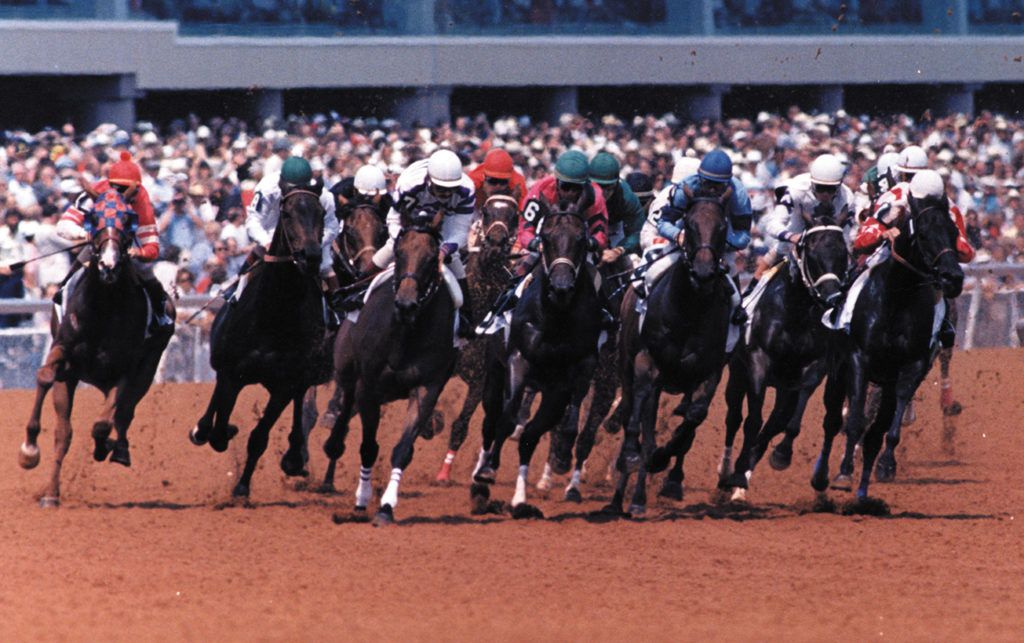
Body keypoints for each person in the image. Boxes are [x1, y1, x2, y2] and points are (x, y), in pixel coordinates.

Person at [46, 151, 173, 380]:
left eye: (125, 189)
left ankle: (160, 316)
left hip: (128, 244)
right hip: (99, 241)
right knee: (71, 278)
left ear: (136, 187)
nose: (119, 193)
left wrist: (139, 252)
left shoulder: (142, 199)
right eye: (116, 186)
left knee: (147, 275)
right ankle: (62, 316)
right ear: (109, 183)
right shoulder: (95, 191)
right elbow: (63, 225)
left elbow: (152, 247)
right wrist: (84, 234)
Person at [368, 149, 477, 338]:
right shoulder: (410, 182)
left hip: (444, 227)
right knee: (387, 250)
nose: (445, 193)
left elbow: (459, 230)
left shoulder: (466, 189)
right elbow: (394, 219)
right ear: (429, 179)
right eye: (440, 188)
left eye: (450, 189)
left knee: (456, 262)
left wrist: (444, 250)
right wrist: (401, 242)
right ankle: (354, 293)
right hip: (410, 223)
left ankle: (467, 317)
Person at [655, 149, 752, 323]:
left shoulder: (739, 195)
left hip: (721, 244)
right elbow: (663, 223)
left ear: (728, 183)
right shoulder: (686, 186)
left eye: (719, 185)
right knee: (650, 276)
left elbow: (744, 236)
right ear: (700, 178)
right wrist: (678, 236)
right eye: (708, 183)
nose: (713, 189)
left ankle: (731, 345)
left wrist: (717, 242)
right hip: (688, 239)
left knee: (736, 300)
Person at [242, 155, 342, 310]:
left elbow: (332, 227)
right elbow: (253, 220)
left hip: (309, 238)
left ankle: (337, 311)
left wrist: (316, 242)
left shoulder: (323, 195)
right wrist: (266, 241)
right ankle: (235, 298)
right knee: (253, 259)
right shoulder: (268, 187)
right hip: (273, 231)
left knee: (326, 266)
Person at [759, 153, 855, 269]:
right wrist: (791, 236)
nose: (825, 194)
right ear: (812, 183)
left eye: (831, 189)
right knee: (768, 264)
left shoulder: (847, 199)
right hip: (795, 233)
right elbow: (773, 224)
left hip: (829, 244)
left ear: (839, 186)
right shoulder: (796, 189)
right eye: (820, 188)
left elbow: (844, 236)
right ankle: (755, 286)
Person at [588, 152, 646, 265]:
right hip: (588, 227)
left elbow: (638, 231)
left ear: (616, 183)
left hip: (614, 229)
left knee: (630, 264)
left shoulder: (626, 196)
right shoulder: (580, 190)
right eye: (599, 186)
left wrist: (619, 250)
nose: (603, 193)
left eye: (608, 187)